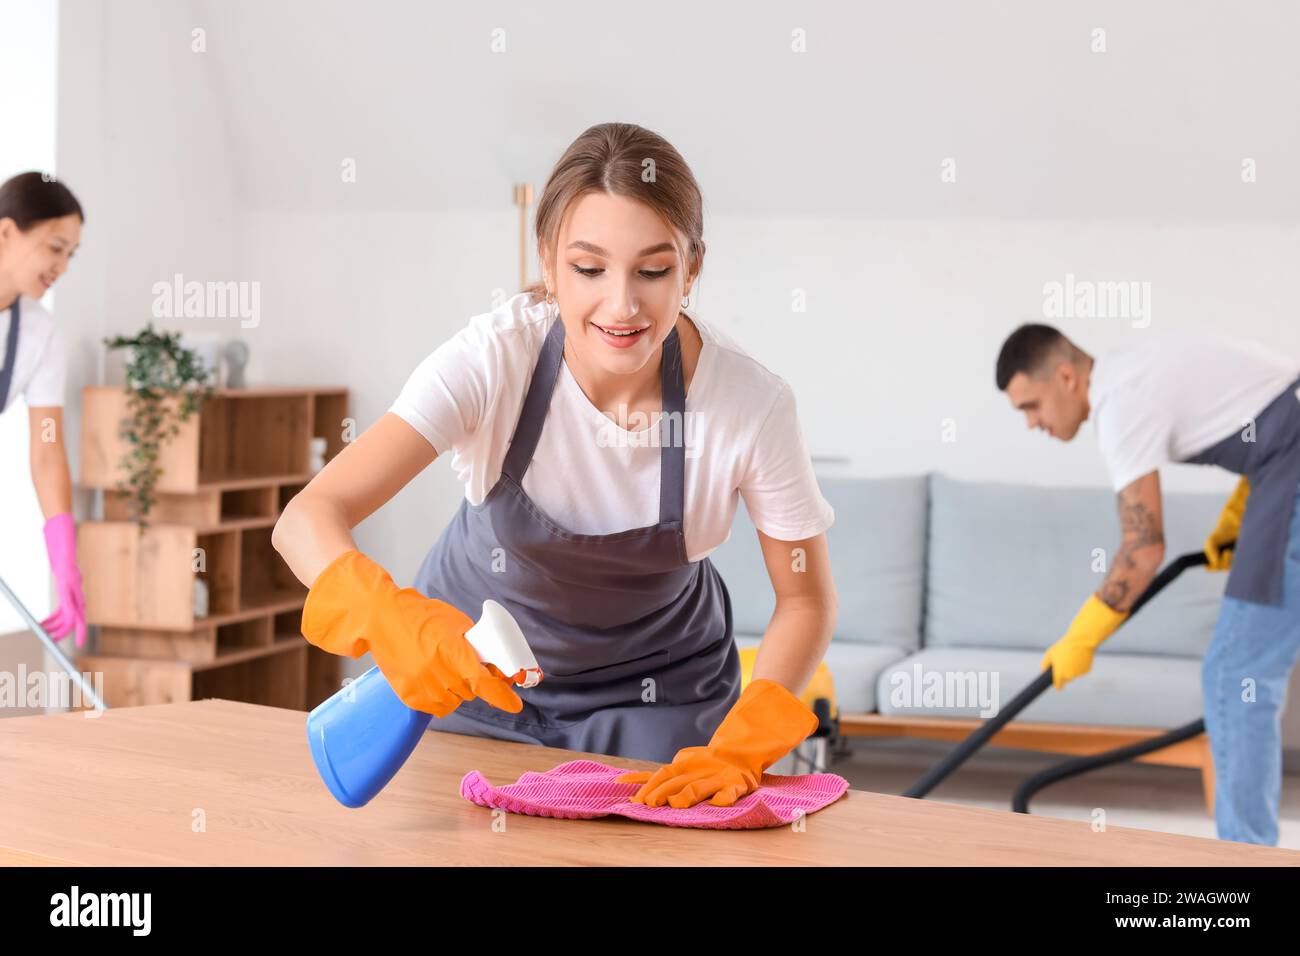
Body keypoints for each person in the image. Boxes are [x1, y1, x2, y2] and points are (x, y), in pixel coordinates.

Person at [274, 122, 838, 810]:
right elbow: (306, 518)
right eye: (589, 268)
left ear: (692, 269)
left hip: (655, 699)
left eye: (654, 270)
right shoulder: (493, 360)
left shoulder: (750, 403)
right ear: (548, 261)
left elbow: (804, 597)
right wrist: (391, 618)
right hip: (473, 682)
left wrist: (745, 743)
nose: (622, 304)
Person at [996, 322, 1300, 845]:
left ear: (1066, 376)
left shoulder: (1120, 404)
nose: (1031, 423)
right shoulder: (1136, 366)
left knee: (1236, 676)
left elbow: (1142, 551)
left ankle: (1248, 860)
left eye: (1031, 406)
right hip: (1284, 465)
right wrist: (1243, 513)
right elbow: (1272, 410)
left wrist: (1082, 635)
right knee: (1239, 674)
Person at [0, 171, 87, 646]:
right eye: (55, 247)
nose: (63, 265)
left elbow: (47, 448)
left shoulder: (40, 332)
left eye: (71, 254)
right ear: (7, 231)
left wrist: (63, 557)